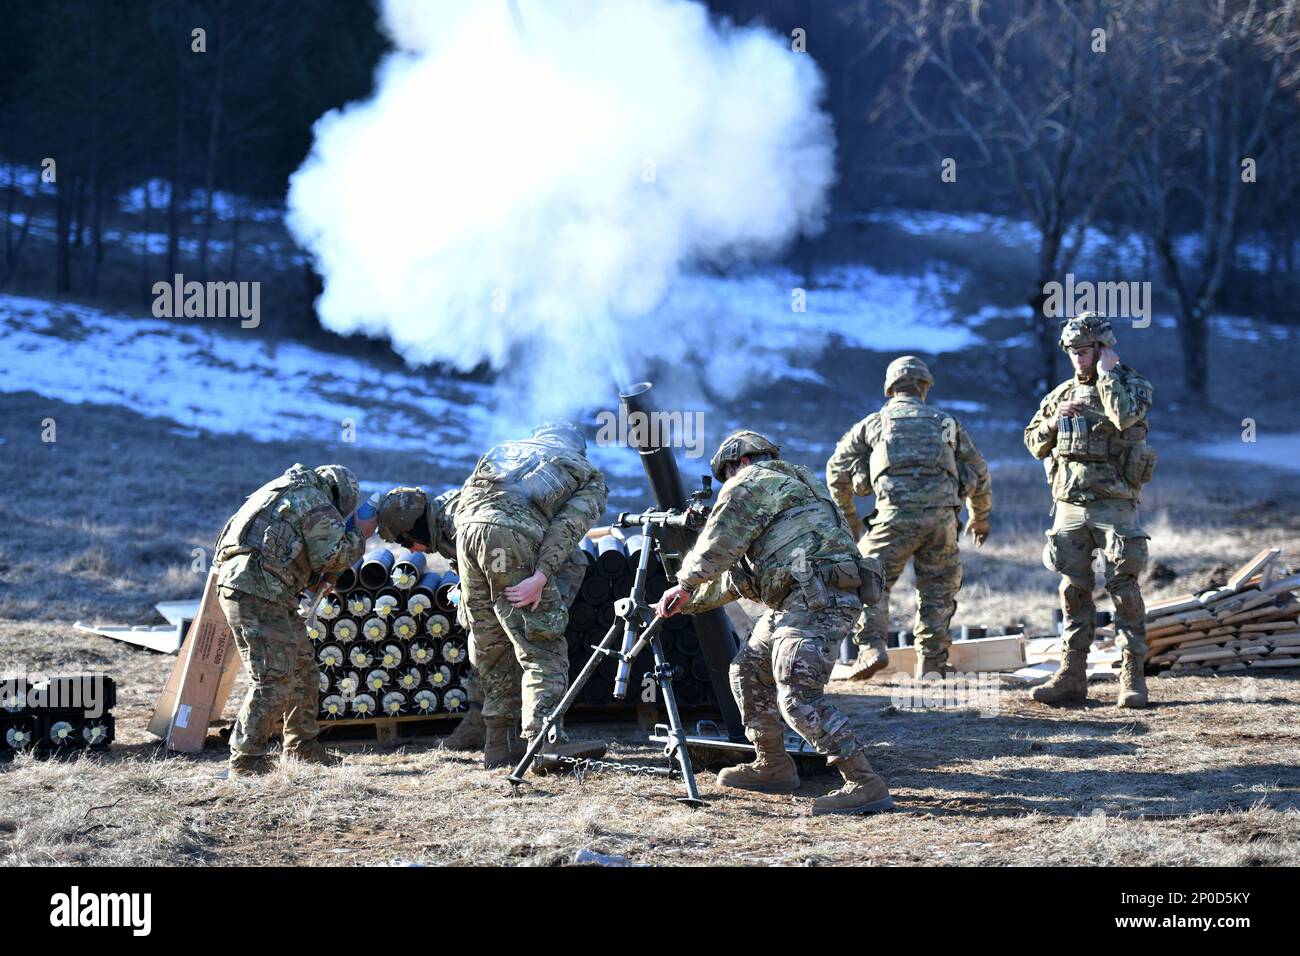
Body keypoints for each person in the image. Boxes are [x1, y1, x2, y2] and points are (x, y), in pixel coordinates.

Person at [656, 430, 894, 815]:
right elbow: (736, 580)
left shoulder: (751, 482)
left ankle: (864, 782)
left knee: (797, 696)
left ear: (742, 462)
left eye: (728, 474)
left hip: (818, 602)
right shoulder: (798, 487)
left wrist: (683, 584)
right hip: (802, 600)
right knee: (747, 670)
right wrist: (683, 603)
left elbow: (716, 546)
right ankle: (773, 766)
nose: (727, 484)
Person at [374, 485, 589, 753]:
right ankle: (485, 727)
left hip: (553, 565)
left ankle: (541, 739)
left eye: (407, 542)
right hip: (511, 562)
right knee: (487, 640)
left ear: (412, 526)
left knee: (535, 642)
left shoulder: (459, 518)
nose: (413, 551)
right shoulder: (440, 524)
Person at [826, 355, 992, 679]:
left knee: (869, 580)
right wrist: (980, 518)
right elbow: (980, 472)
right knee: (937, 591)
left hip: (892, 520)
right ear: (924, 386)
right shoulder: (947, 423)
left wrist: (850, 519)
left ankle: (871, 647)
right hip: (942, 522)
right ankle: (932, 663)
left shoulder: (874, 423)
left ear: (890, 389)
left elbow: (836, 470)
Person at [454, 421, 610, 768]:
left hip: (466, 536)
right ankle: (545, 743)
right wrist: (540, 575)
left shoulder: (502, 449)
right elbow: (567, 528)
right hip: (512, 537)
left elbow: (462, 504)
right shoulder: (582, 469)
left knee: (490, 643)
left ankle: (499, 744)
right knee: (542, 645)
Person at [1024, 312, 1157, 708]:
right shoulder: (1060, 394)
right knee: (1073, 590)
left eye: (1085, 352)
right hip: (1069, 505)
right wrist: (1053, 422)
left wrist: (1108, 374)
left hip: (1115, 505)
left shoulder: (1132, 385)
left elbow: (1124, 415)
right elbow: (1033, 442)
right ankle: (1071, 675)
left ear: (1103, 349)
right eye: (1074, 353)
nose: (1079, 360)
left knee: (1124, 587)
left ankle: (1132, 676)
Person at [213, 463, 374, 776]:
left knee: (302, 668)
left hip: (261, 588)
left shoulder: (283, 488)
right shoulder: (315, 501)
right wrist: (360, 535)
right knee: (274, 678)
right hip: (258, 591)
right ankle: (246, 760)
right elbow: (332, 556)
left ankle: (303, 747)